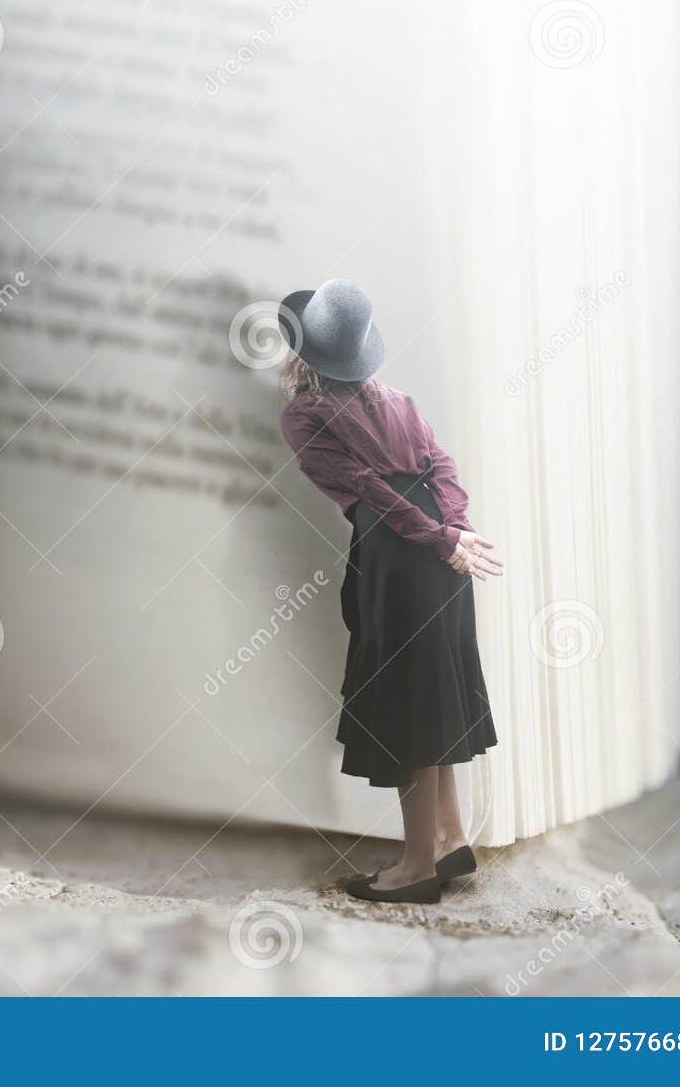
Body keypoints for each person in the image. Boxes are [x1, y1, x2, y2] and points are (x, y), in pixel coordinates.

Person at [277, 279, 502, 904]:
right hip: (438, 555)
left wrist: (437, 535)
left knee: (409, 700)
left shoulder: (305, 414)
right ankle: (450, 837)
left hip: (399, 554)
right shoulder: (399, 400)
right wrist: (454, 530)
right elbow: (442, 467)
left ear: (300, 352)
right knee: (438, 686)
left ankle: (414, 866)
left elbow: (370, 491)